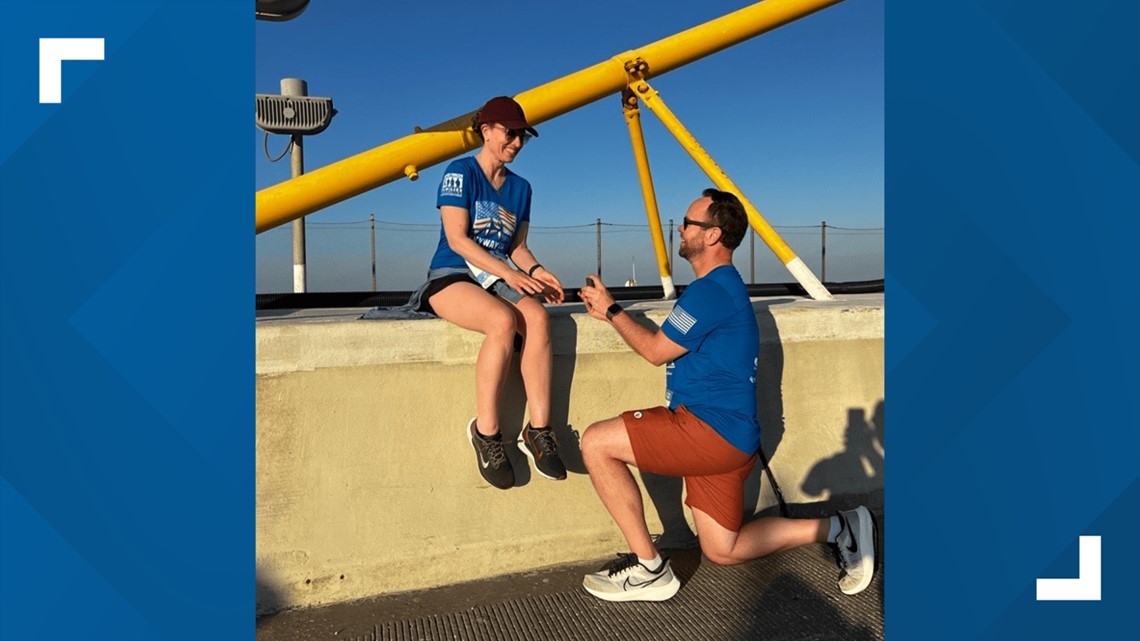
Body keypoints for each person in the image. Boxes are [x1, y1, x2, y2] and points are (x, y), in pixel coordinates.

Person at [576, 189, 875, 602]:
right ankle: (840, 527)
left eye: (689, 223)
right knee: (723, 549)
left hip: (706, 431)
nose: (680, 229)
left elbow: (655, 351)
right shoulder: (721, 288)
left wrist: (611, 310)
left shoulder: (711, 291)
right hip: (731, 438)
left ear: (713, 235)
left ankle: (649, 570)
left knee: (595, 443)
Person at [418, 96, 567, 490]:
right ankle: (486, 435)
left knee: (536, 316)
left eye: (522, 136)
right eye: (510, 133)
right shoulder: (460, 172)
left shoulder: (521, 189)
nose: (517, 143)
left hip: (496, 277)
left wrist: (537, 272)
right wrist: (511, 275)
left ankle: (539, 430)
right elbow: (458, 239)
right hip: (452, 274)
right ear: (486, 131)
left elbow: (517, 247)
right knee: (502, 321)